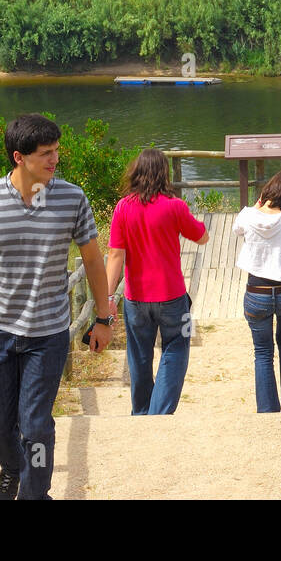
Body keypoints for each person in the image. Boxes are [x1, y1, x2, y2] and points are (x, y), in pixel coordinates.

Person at [0, 114, 114, 500]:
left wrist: (103, 317)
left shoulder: (73, 198)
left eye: (56, 151)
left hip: (47, 333)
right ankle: (13, 468)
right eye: (45, 154)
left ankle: (34, 493)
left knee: (35, 425)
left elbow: (92, 260)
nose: (55, 160)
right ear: (19, 157)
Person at [105, 148, 208, 415]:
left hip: (135, 299)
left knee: (138, 357)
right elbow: (201, 237)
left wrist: (107, 299)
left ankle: (141, 412)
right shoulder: (175, 206)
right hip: (173, 297)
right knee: (177, 349)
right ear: (165, 174)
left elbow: (115, 255)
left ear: (136, 173)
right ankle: (159, 413)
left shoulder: (123, 208)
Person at [235, 170, 281, 414]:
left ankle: (267, 411)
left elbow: (237, 228)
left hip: (257, 293)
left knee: (263, 351)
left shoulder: (247, 215)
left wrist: (256, 206)